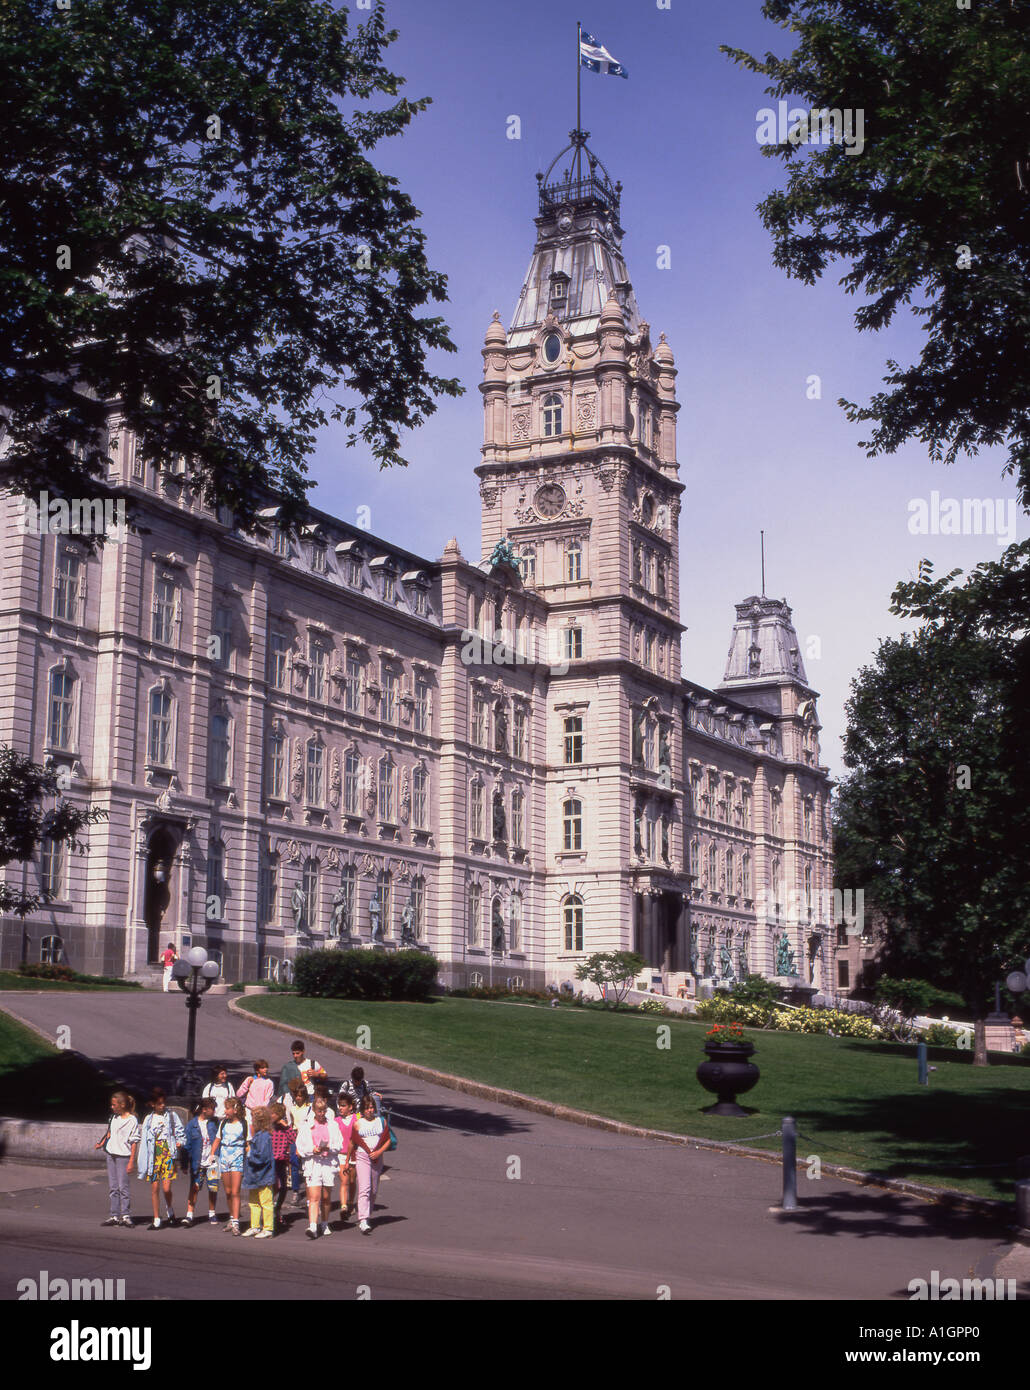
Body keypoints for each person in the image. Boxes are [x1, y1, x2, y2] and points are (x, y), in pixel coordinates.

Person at [294, 1094, 342, 1239]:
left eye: (323, 1111)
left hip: (327, 1164)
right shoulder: (306, 1126)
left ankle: (325, 1223)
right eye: (319, 1111)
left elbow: (339, 1145)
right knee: (314, 1197)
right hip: (313, 1164)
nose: (321, 1114)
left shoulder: (333, 1125)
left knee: (326, 1197)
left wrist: (329, 1148)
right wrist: (312, 1149)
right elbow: (300, 1148)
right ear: (314, 1110)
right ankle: (313, 1226)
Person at [138, 1087, 186, 1230]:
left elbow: (181, 1132)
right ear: (153, 1104)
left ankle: (170, 1210)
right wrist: (143, 1163)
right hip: (154, 1156)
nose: (162, 1105)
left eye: (163, 1103)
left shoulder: (171, 1116)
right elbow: (144, 1142)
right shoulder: (148, 1119)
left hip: (167, 1154)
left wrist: (180, 1142)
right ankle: (157, 1218)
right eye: (159, 1103)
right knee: (154, 1188)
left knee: (166, 1188)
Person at [95, 1091, 140, 1227]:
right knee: (113, 1187)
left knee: (123, 1187)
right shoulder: (113, 1118)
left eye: (114, 1105)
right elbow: (109, 1133)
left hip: (123, 1156)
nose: (112, 1107)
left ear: (122, 1104)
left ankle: (125, 1215)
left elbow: (134, 1142)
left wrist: (132, 1161)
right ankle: (114, 1215)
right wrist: (102, 1143)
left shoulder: (132, 1120)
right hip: (111, 1154)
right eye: (112, 1105)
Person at [352, 1092, 391, 1235]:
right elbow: (353, 1141)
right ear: (362, 1110)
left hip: (377, 1158)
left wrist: (379, 1152)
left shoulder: (381, 1121)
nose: (370, 1110)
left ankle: (368, 1212)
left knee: (374, 1190)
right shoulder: (358, 1124)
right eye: (367, 1108)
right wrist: (350, 1160)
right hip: (362, 1157)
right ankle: (363, 1219)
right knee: (365, 1188)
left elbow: (388, 1140)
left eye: (372, 1107)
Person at [210, 1096, 247, 1236]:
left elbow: (248, 1143)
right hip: (224, 1157)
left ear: (235, 1110)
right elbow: (217, 1139)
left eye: (227, 1108)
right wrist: (212, 1154)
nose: (225, 1111)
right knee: (228, 1191)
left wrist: (249, 1155)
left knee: (236, 1191)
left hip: (237, 1157)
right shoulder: (223, 1123)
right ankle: (232, 1218)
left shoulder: (243, 1124)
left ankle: (236, 1222)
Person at [183, 1097, 219, 1226]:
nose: (214, 1111)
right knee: (194, 1187)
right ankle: (189, 1214)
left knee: (213, 1187)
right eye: (212, 1109)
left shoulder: (214, 1123)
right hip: (198, 1161)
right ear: (204, 1110)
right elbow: (186, 1145)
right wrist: (184, 1164)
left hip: (213, 1161)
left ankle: (212, 1213)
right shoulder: (192, 1125)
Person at [242, 1106, 276, 1239]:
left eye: (253, 1119)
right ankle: (255, 1226)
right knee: (254, 1201)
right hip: (254, 1174)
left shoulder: (264, 1136)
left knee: (266, 1202)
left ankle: (268, 1228)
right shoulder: (259, 1135)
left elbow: (262, 1156)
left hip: (264, 1174)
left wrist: (249, 1152)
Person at [269, 1102, 297, 1228]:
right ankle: (269, 1210)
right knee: (272, 1187)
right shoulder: (269, 1127)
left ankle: (277, 1209)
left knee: (283, 1187)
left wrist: (286, 1126)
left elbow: (294, 1138)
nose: (271, 1115)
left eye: (274, 1113)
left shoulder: (284, 1128)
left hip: (281, 1160)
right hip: (270, 1160)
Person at [335, 1093, 358, 1221]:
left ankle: (350, 1203)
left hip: (354, 1155)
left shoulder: (356, 1119)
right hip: (341, 1156)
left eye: (343, 1106)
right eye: (339, 1105)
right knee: (344, 1181)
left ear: (350, 1107)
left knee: (352, 1181)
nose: (340, 1108)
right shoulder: (336, 1121)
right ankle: (343, 1207)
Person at [237, 1059, 275, 1125]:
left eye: (266, 1067)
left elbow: (267, 1099)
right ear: (257, 1070)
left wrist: (259, 1111)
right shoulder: (250, 1079)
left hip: (260, 1112)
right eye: (262, 1068)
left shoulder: (269, 1082)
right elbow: (239, 1094)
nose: (265, 1069)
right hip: (248, 1111)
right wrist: (247, 1084)